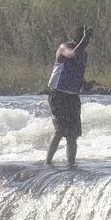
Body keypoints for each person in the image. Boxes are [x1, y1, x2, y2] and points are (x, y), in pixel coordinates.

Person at [45, 25, 92, 167]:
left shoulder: (84, 55)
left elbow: (77, 72)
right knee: (60, 131)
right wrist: (86, 37)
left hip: (73, 97)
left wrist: (85, 84)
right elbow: (72, 55)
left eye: (87, 41)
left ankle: (71, 165)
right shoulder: (64, 48)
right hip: (58, 95)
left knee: (72, 136)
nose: (85, 43)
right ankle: (47, 163)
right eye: (83, 39)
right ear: (75, 39)